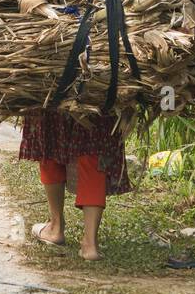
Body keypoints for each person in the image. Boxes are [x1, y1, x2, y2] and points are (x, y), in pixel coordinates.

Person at [20, 108, 130, 260]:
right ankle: (90, 245)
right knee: (93, 148)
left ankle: (55, 227)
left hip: (56, 88)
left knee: (50, 133)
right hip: (99, 94)